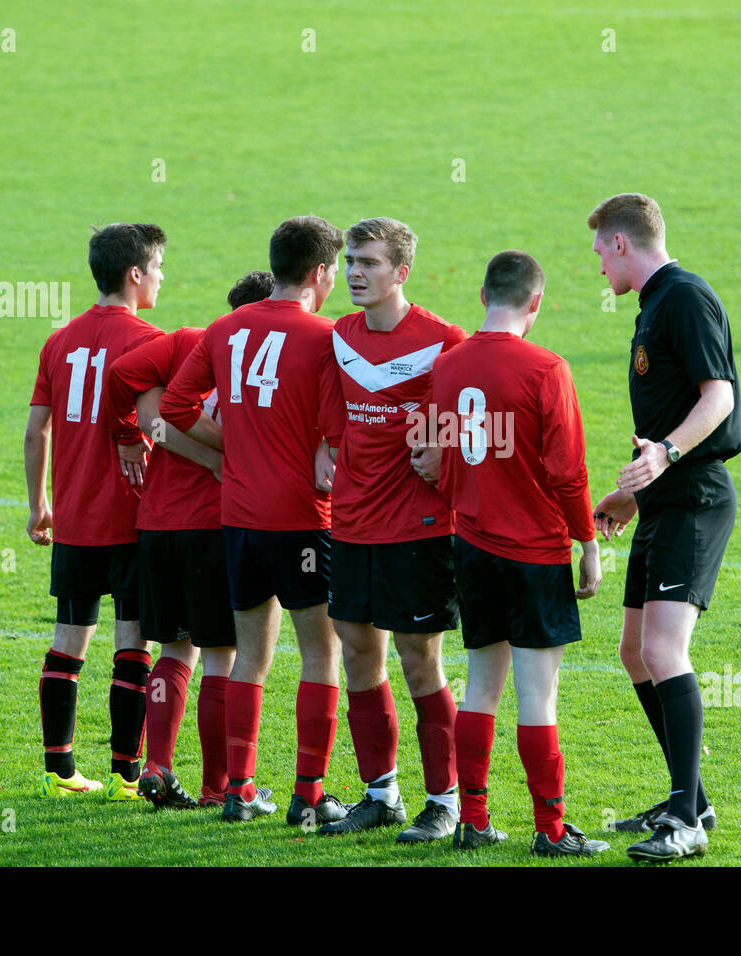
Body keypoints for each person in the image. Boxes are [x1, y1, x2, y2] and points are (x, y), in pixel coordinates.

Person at [160, 218, 348, 827]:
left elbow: (173, 407)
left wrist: (234, 444)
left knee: (250, 657)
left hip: (239, 522)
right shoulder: (325, 337)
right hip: (302, 521)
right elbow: (336, 431)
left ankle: (239, 789)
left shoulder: (224, 329)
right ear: (320, 272)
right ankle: (309, 792)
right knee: (323, 653)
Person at [428, 250, 608, 857]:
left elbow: (443, 458)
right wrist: (588, 543)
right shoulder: (546, 368)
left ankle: (472, 819)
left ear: (483, 295)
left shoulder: (447, 366)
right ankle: (551, 829)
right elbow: (568, 472)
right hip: (535, 552)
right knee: (538, 695)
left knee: (481, 686)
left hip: (472, 548)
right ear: (536, 303)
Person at [588, 193, 741, 862]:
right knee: (634, 650)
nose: (596, 264)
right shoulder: (655, 304)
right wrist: (632, 490)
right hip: (662, 500)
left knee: (663, 651)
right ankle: (691, 798)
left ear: (622, 243)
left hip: (696, 497)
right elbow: (669, 406)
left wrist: (668, 454)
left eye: (598, 249)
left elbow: (720, 395)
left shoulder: (683, 296)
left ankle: (687, 820)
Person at [313, 218, 468, 842]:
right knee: (356, 653)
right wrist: (328, 447)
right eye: (351, 260)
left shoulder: (444, 340)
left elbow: (475, 418)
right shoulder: (339, 336)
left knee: (419, 660)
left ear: (401, 272)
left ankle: (446, 800)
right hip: (351, 521)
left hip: (419, 527)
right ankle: (381, 794)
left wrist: (445, 446)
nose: (354, 272)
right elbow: (331, 411)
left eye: (370, 263)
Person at [101, 272, 275, 808]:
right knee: (222, 656)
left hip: (156, 526)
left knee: (175, 648)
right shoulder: (273, 365)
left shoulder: (183, 343)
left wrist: (132, 436)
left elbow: (119, 376)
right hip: (216, 527)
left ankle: (157, 764)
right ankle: (216, 787)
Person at [24, 222, 167, 800]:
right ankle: (125, 775)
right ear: (135, 274)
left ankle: (58, 772)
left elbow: (37, 431)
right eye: (158, 267)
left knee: (69, 639)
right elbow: (161, 423)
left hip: (76, 522)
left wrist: (40, 504)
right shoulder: (150, 341)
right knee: (132, 642)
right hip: (134, 519)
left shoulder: (59, 341)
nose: (162, 277)